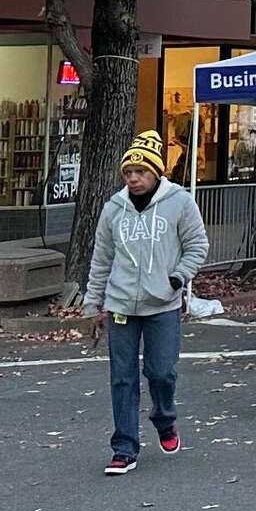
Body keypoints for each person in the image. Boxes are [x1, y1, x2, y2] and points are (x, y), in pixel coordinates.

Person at [84, 131, 209, 476]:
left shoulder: (179, 202)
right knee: (122, 378)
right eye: (128, 173)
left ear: (156, 173)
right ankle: (124, 448)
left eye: (140, 171)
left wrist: (178, 276)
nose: (134, 178)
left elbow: (198, 245)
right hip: (121, 305)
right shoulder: (113, 209)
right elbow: (101, 259)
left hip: (163, 304)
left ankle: (165, 419)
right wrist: (93, 303)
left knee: (162, 373)